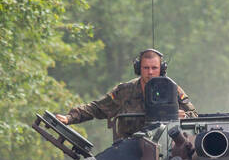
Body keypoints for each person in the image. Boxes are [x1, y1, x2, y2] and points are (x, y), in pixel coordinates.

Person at [57, 48, 196, 141]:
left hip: (165, 150)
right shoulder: (124, 91)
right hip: (129, 149)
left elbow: (195, 116)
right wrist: (69, 118)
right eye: (146, 68)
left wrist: (184, 116)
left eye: (154, 68)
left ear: (162, 69)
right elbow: (96, 108)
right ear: (138, 69)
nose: (150, 72)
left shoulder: (172, 90)